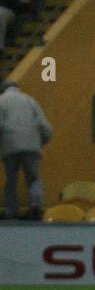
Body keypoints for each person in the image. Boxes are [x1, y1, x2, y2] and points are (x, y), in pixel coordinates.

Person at [0, 78, 51, 220]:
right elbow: (45, 127)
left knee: (11, 179)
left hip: (10, 146)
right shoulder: (30, 100)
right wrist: (39, 143)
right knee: (34, 178)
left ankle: (12, 211)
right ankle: (35, 205)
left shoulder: (2, 100)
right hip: (31, 146)